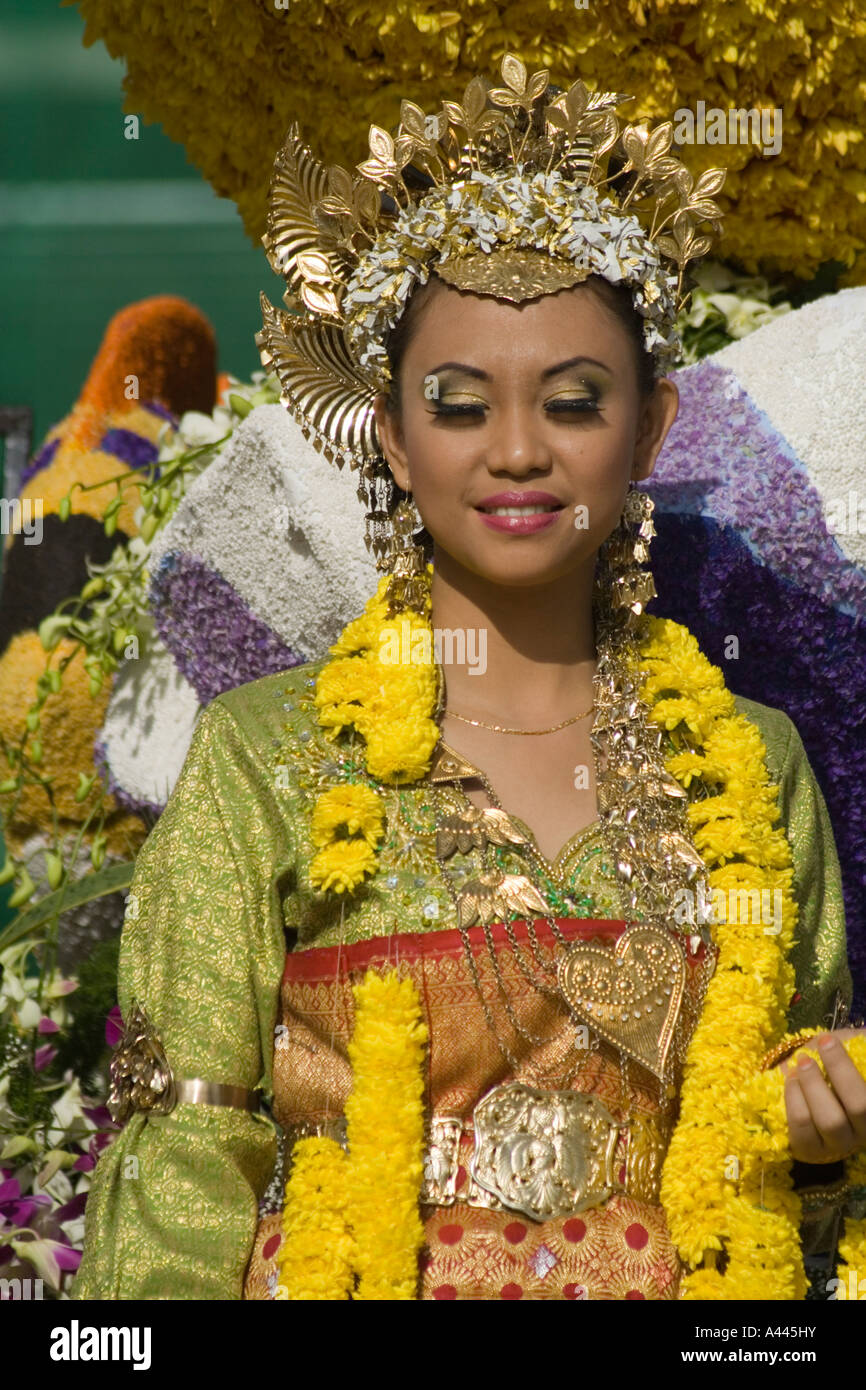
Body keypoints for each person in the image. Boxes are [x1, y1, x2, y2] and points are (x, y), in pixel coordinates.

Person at [72, 54, 861, 1302]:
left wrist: (815, 1141)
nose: (514, 450)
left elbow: (793, 1181)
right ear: (387, 433)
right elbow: (182, 1160)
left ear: (649, 428)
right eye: (455, 403)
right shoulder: (268, 761)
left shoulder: (750, 766)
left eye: (571, 400)